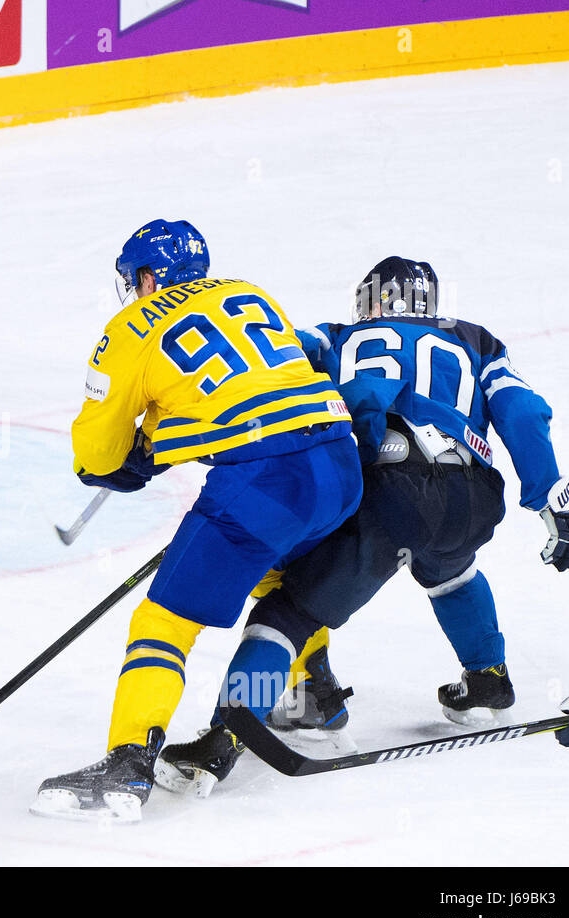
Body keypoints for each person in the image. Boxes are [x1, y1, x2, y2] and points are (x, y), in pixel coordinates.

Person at [159, 255, 569, 793]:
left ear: (366, 302)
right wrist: (557, 501)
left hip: (389, 488)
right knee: (451, 571)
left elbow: (264, 367)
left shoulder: (332, 337)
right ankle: (488, 681)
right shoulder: (477, 342)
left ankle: (224, 737)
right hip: (472, 500)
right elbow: (523, 414)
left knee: (288, 610)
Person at [30, 219, 363, 823]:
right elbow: (259, 384)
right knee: (280, 595)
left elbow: (98, 455)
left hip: (265, 480)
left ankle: (127, 763)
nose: (133, 289)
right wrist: (166, 433)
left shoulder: (130, 327)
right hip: (341, 467)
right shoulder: (249, 293)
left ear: (149, 276)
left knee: (164, 621)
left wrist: (127, 459)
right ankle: (311, 691)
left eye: (135, 279)